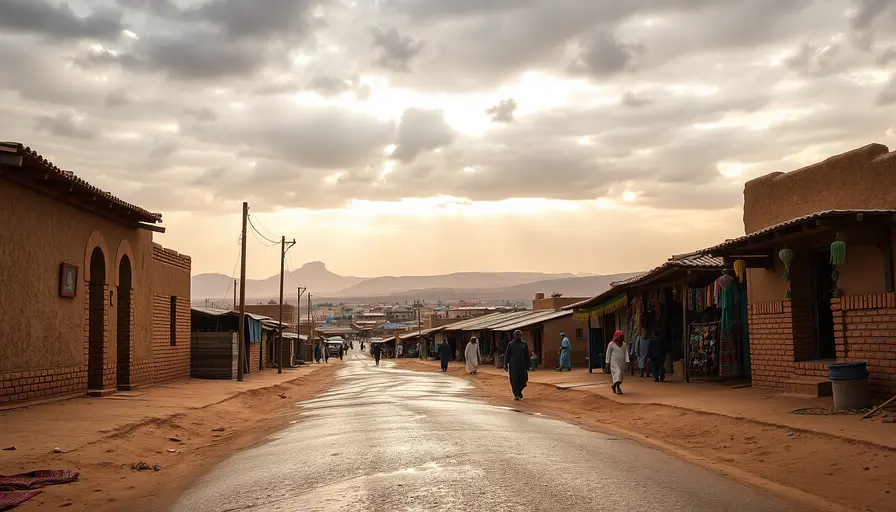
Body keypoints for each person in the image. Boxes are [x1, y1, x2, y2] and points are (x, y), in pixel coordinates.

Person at [504, 330, 529, 400]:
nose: (518, 336)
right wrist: (505, 364)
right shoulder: (511, 344)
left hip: (522, 365)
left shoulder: (524, 344)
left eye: (519, 335)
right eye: (517, 335)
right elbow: (507, 355)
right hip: (513, 365)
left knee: (524, 379)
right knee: (514, 380)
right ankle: (516, 394)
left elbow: (527, 355)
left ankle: (519, 391)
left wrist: (528, 364)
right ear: (514, 336)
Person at [605, 330, 629, 395]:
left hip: (621, 362)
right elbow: (608, 353)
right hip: (614, 362)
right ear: (617, 337)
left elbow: (626, 353)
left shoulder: (624, 344)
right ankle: (618, 388)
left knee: (620, 376)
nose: (621, 338)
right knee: (618, 373)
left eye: (622, 336)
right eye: (620, 336)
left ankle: (614, 385)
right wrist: (607, 363)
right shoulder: (611, 344)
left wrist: (627, 361)